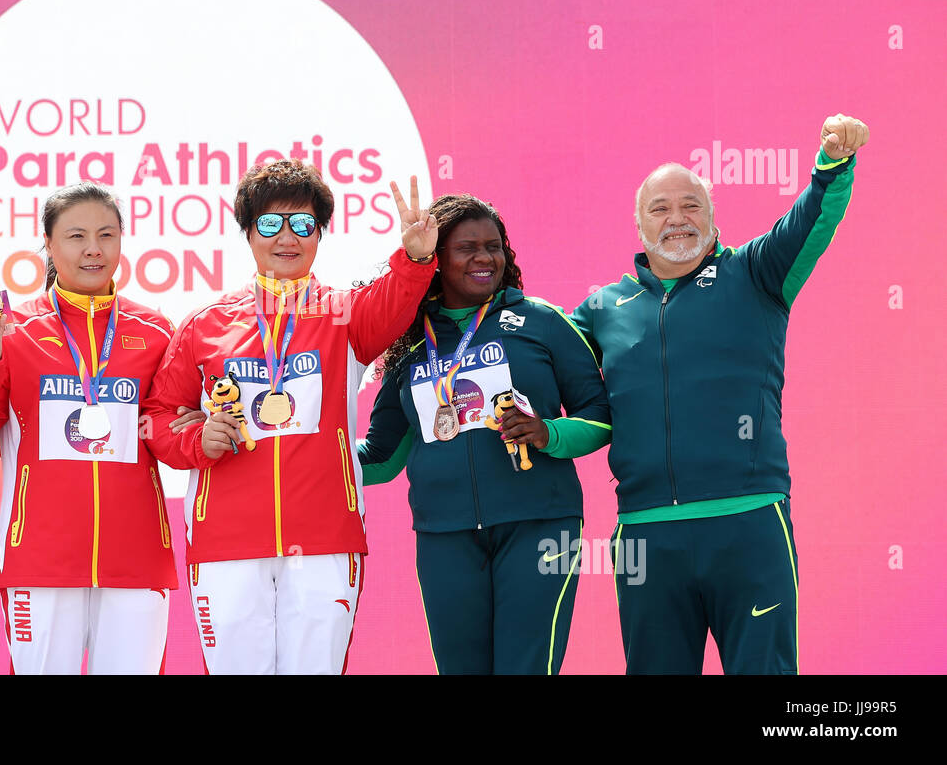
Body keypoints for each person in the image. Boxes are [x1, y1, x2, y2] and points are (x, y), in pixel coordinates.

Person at [570, 113, 870, 674]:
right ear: (639, 226)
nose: (677, 219)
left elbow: (813, 218)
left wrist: (833, 163)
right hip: (645, 537)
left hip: (750, 526)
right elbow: (536, 353)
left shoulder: (756, 273)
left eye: (691, 206)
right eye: (660, 209)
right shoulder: (600, 310)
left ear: (712, 217)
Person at [143, 160, 438, 674]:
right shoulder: (205, 326)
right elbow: (160, 417)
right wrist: (198, 440)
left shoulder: (347, 314)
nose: (287, 237)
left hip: (325, 537)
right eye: (270, 223)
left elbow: (395, 301)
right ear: (247, 232)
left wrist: (416, 258)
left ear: (320, 233)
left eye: (302, 224)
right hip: (226, 540)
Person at [0, 182, 202, 674]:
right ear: (48, 243)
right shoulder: (13, 331)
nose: (93, 249)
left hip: (136, 560)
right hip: (37, 558)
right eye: (76, 236)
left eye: (106, 235)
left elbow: (165, 429)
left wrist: (198, 431)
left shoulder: (156, 332)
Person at [357, 194, 610, 674]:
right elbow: (385, 456)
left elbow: (600, 415)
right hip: (444, 534)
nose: (484, 258)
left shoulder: (541, 321)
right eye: (466, 248)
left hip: (540, 526)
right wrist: (302, 455)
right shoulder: (410, 342)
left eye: (493, 247)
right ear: (436, 261)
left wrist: (547, 432)